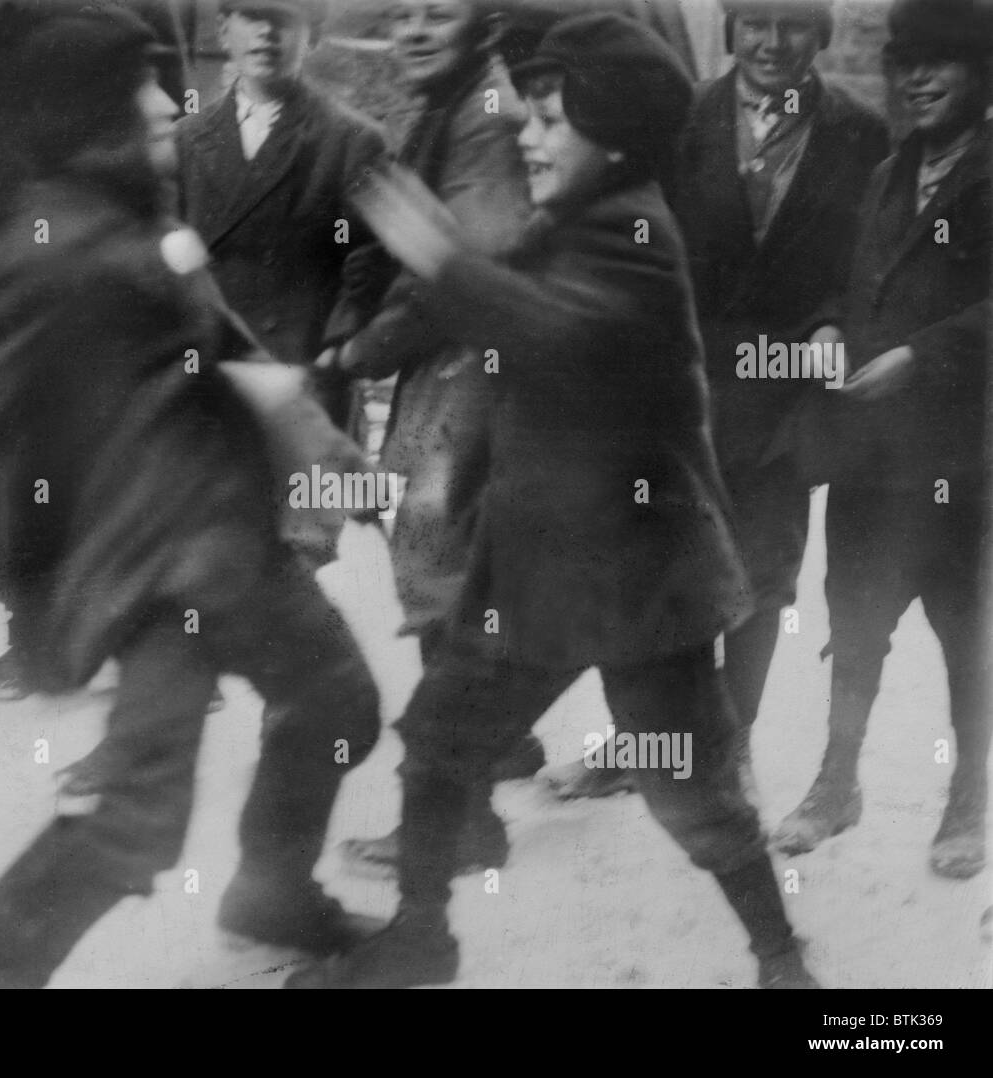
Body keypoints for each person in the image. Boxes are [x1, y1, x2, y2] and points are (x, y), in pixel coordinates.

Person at [288, 12, 819, 990]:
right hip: (533, 568)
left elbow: (554, 331)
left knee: (690, 788)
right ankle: (419, 939)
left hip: (634, 579)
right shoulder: (569, 216)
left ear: (612, 132)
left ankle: (779, 956)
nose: (525, 137)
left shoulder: (636, 233)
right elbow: (475, 291)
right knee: (438, 749)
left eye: (546, 119)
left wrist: (443, 260)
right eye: (524, 115)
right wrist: (351, 355)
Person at [0, 8, 382, 987]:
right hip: (154, 582)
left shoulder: (151, 224)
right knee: (132, 823)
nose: (168, 104)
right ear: (91, 124)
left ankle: (271, 900)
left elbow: (234, 348)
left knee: (339, 704)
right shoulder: (42, 253)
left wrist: (332, 458)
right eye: (141, 92)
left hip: (236, 553)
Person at [546, 0, 890, 802]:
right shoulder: (680, 118)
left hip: (784, 395)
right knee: (652, 569)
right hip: (676, 384)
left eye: (795, 24)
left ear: (823, 34)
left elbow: (867, 261)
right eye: (756, 22)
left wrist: (837, 322)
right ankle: (644, 743)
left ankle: (727, 749)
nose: (773, 43)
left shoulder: (860, 133)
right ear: (733, 29)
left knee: (760, 581)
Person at [0, 0, 184, 700]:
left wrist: (163, 240)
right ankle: (36, 630)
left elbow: (172, 116)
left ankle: (165, 633)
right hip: (3, 265)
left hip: (123, 245)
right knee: (25, 468)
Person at [772, 0, 991, 879]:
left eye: (945, 62)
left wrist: (921, 355)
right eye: (908, 64)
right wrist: (829, 324)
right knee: (856, 621)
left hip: (965, 462)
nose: (920, 79)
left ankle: (969, 797)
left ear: (983, 73)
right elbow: (842, 276)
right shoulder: (890, 172)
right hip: (870, 453)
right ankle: (837, 784)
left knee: (967, 632)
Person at [324, 0, 541, 879]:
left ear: (483, 22)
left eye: (437, 12)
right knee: (458, 577)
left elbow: (461, 266)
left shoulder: (485, 116)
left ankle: (462, 820)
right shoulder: (456, 102)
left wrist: (361, 349)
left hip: (469, 375)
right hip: (460, 368)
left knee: (442, 579)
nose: (413, 29)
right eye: (401, 11)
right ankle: (497, 753)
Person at [174, 0, 390, 425]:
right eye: (252, 16)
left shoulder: (351, 140)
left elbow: (366, 262)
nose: (266, 34)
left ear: (315, 34)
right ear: (223, 30)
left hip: (298, 378)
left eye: (284, 19)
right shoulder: (186, 139)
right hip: (205, 374)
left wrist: (332, 353)